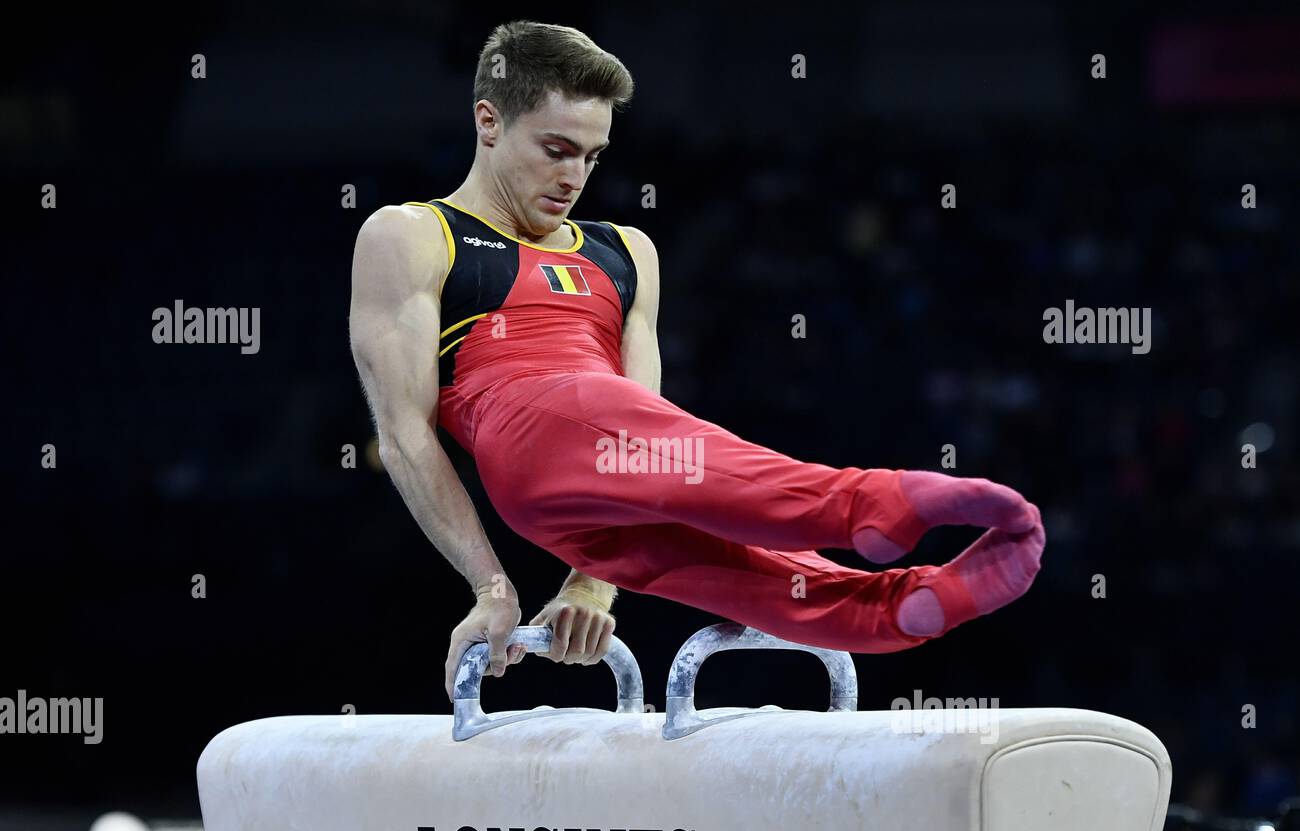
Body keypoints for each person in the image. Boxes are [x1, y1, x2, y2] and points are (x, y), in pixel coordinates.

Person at [348, 21, 1046, 701]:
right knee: (659, 445)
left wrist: (589, 581)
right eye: (556, 149)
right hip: (524, 429)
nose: (574, 176)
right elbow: (406, 433)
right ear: (489, 121)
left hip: (603, 468)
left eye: (593, 156)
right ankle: (867, 503)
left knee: (735, 569)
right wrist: (491, 586)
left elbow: (646, 420)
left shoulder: (627, 252)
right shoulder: (412, 234)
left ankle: (896, 604)